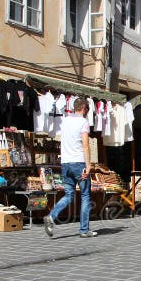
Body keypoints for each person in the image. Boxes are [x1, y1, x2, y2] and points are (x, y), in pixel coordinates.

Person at [43, 97, 96, 238]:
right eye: (88, 109)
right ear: (84, 108)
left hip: (65, 163)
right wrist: (88, 165)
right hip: (79, 162)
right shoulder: (83, 122)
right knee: (85, 196)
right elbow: (85, 144)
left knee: (68, 195)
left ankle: (52, 216)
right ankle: (84, 230)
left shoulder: (65, 120)